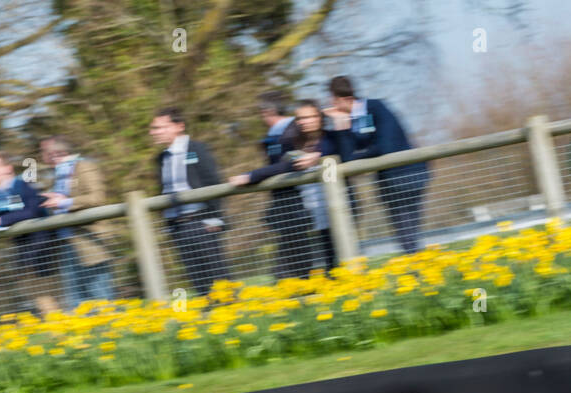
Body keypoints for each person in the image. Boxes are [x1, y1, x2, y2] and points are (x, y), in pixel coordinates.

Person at [324, 76, 430, 254]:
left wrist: (361, 156)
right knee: (405, 233)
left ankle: (418, 270)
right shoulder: (350, 120)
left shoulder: (376, 108)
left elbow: (385, 146)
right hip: (389, 183)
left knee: (408, 231)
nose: (330, 103)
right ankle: (418, 269)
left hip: (409, 175)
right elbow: (348, 158)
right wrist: (340, 124)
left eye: (332, 99)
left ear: (341, 99)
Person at [229, 94, 326, 278]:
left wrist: (251, 176)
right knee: (295, 259)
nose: (304, 122)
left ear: (267, 112)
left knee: (298, 259)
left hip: (298, 206)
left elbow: (287, 165)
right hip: (291, 208)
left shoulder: (291, 133)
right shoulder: (277, 135)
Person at [150, 107, 231, 295]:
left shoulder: (197, 149)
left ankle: (233, 313)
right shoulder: (161, 158)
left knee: (218, 278)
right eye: (154, 129)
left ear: (179, 126)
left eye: (160, 127)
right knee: (197, 279)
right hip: (178, 227)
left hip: (202, 222)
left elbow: (213, 182)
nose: (154, 132)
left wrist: (214, 217)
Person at [0, 152, 57, 315]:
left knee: (51, 299)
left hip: (45, 253)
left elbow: (31, 211)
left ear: (7, 169)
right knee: (40, 301)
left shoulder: (23, 186)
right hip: (24, 256)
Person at [39, 135, 117, 308]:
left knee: (101, 296)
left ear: (60, 152)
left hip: (90, 242)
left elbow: (97, 197)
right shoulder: (58, 176)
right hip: (68, 243)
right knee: (77, 302)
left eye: (48, 153)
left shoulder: (84, 167)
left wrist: (64, 202)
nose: (45, 158)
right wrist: (56, 200)